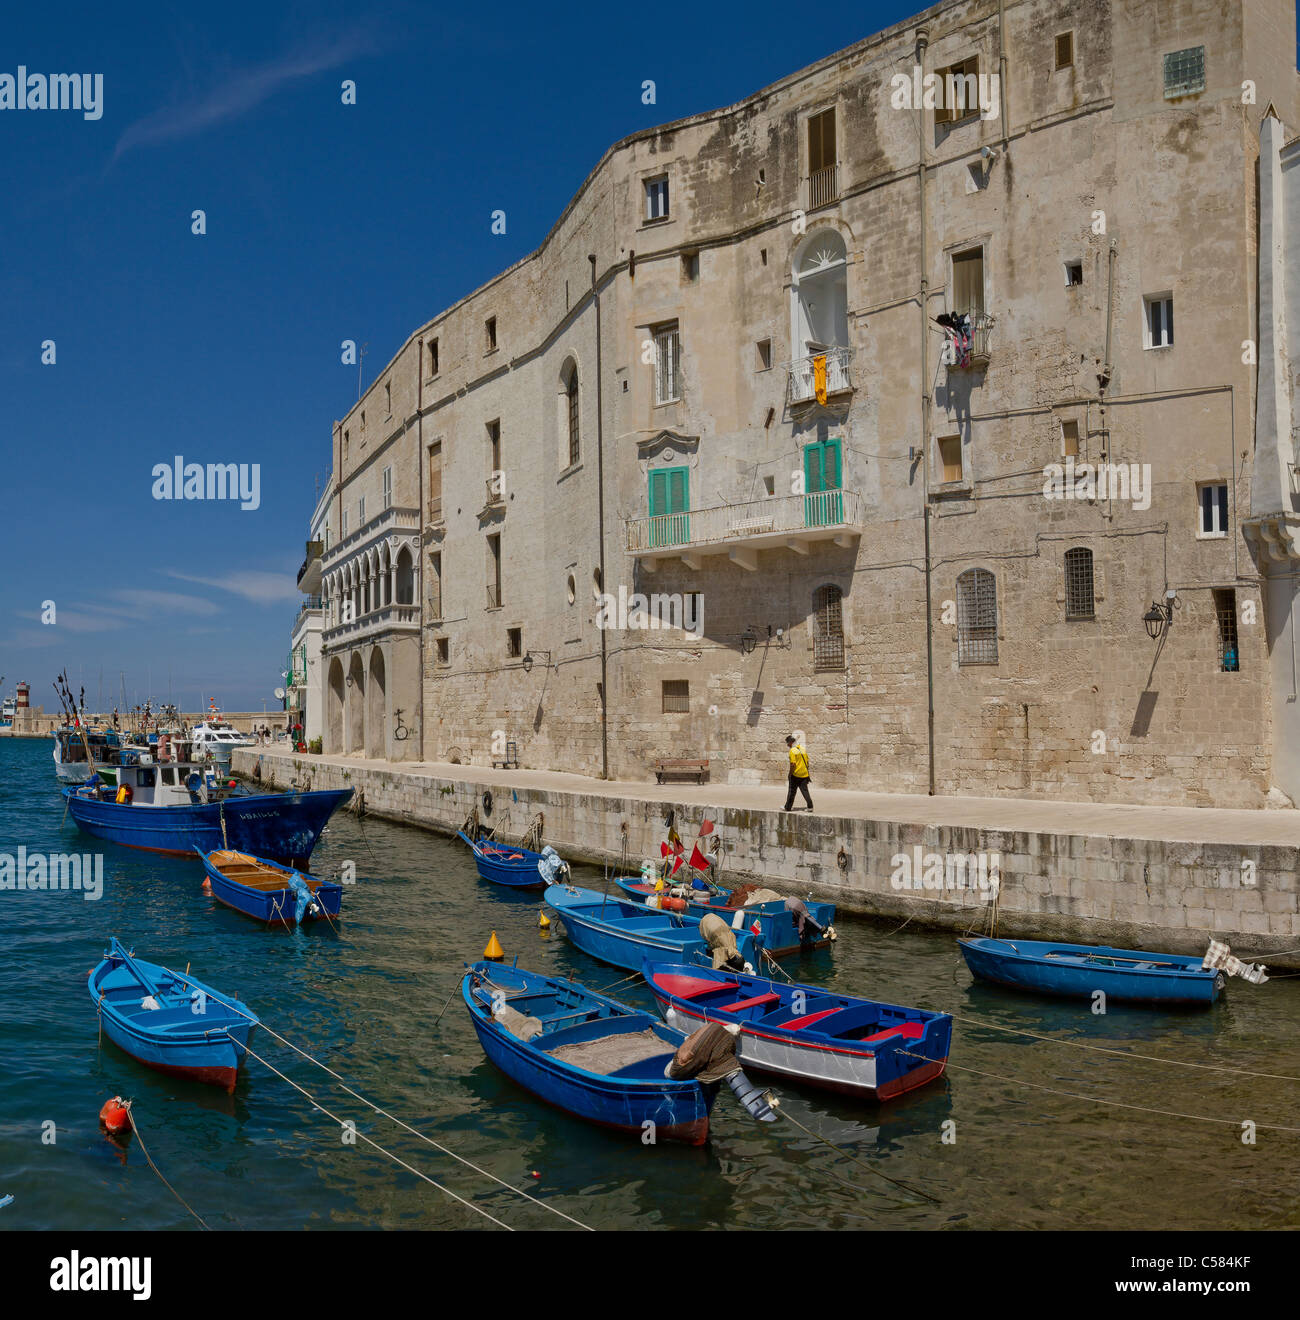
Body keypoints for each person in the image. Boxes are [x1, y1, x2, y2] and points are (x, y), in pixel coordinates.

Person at [783, 734, 813, 812]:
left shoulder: (792, 751)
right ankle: (810, 807)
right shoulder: (803, 749)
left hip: (796, 774)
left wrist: (790, 774)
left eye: (787, 743)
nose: (787, 745)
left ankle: (788, 807)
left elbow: (793, 764)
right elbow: (807, 762)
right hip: (804, 774)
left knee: (792, 791)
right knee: (805, 791)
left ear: (790, 742)